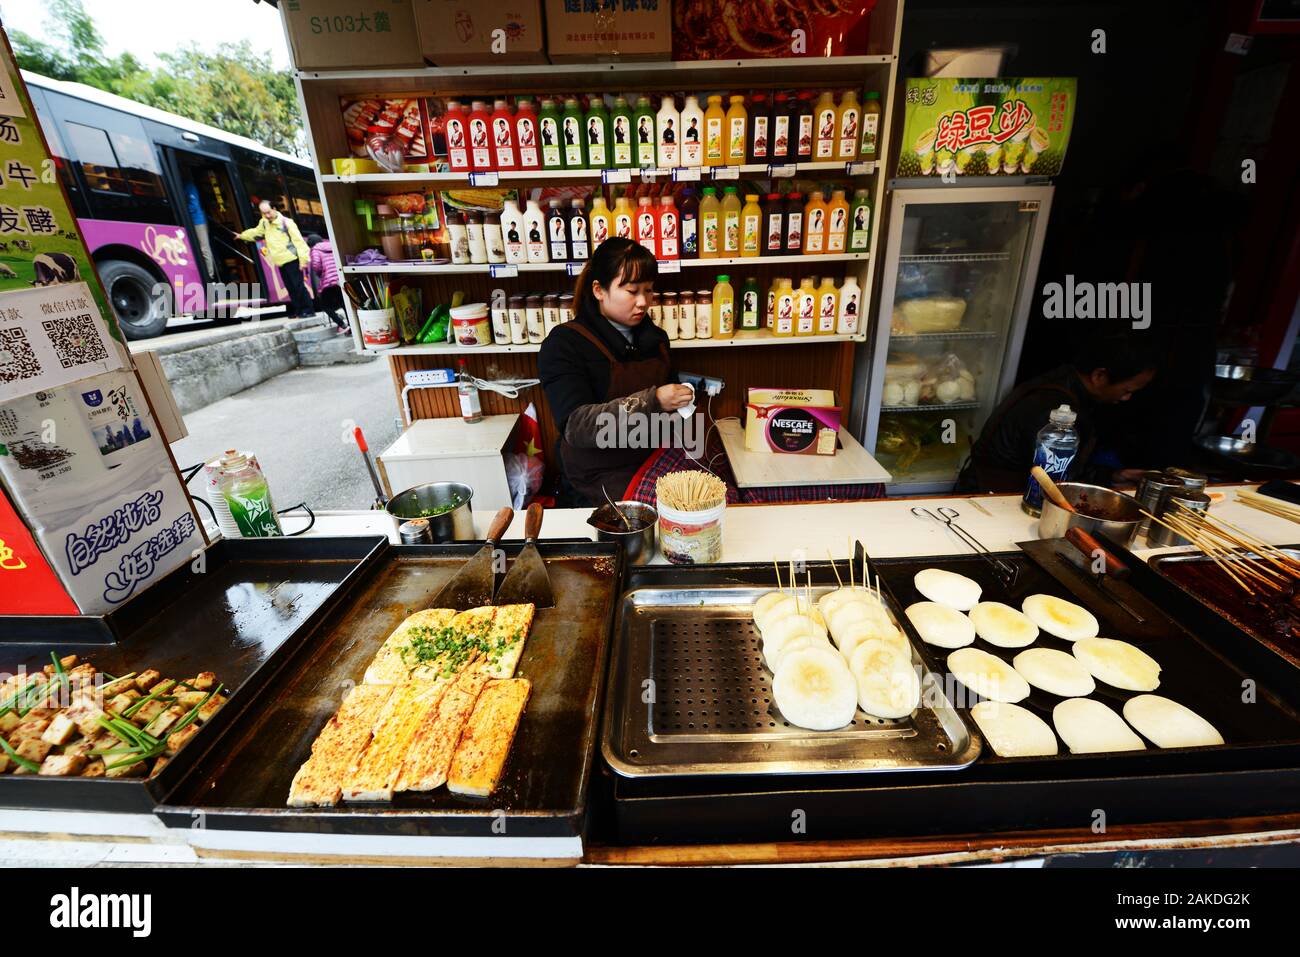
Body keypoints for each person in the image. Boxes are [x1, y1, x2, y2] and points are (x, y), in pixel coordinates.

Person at [539, 238, 693, 506]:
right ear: (599, 290)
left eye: (648, 290)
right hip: (594, 480)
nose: (643, 302)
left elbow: (666, 416)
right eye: (632, 291)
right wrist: (653, 400)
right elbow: (576, 425)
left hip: (652, 463)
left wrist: (681, 406)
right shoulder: (565, 343)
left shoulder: (656, 339)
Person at [957, 330, 1161, 493]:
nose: (1127, 398)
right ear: (1099, 376)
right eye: (1127, 390)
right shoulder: (1054, 411)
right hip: (992, 496)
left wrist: (1112, 476)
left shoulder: (1063, 381)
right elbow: (1055, 480)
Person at [233, 200, 314, 319]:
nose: (266, 215)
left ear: (275, 209)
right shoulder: (264, 222)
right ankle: (298, 310)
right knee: (290, 287)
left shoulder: (287, 223)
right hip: (280, 262)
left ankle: (308, 310)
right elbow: (256, 232)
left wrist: (303, 261)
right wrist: (242, 235)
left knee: (298, 286)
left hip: (292, 260)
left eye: (268, 212)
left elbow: (299, 242)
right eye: (263, 213)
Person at [306, 233, 347, 332]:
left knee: (325, 305)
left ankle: (341, 324)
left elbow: (316, 266)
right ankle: (352, 326)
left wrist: (320, 274)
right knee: (344, 303)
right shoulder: (331, 245)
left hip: (329, 281)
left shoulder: (315, 250)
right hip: (340, 279)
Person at [183, 178, 216, 278]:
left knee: (204, 249)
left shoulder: (189, 186)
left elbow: (194, 206)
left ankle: (210, 276)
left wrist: (182, 211)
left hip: (197, 221)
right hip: (189, 222)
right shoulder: (179, 184)